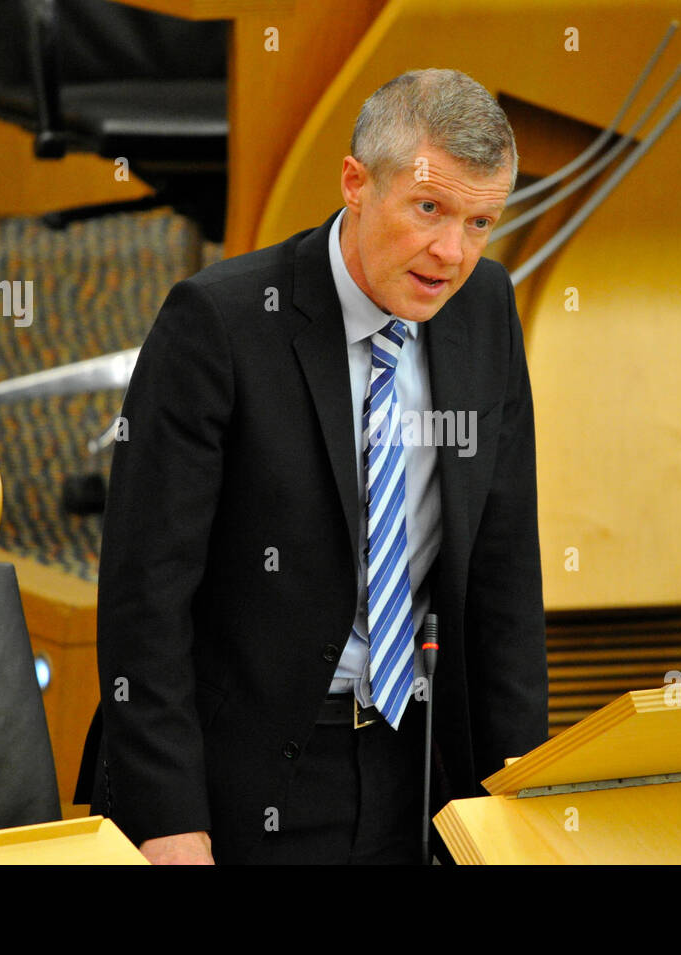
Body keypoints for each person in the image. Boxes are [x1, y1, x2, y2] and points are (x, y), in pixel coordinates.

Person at [84, 68, 548, 864]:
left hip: (419, 764)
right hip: (242, 781)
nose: (452, 252)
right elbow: (144, 597)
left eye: (481, 222)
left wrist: (518, 797)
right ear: (356, 183)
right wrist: (170, 821)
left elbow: (503, 578)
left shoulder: (485, 311)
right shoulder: (218, 325)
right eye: (430, 209)